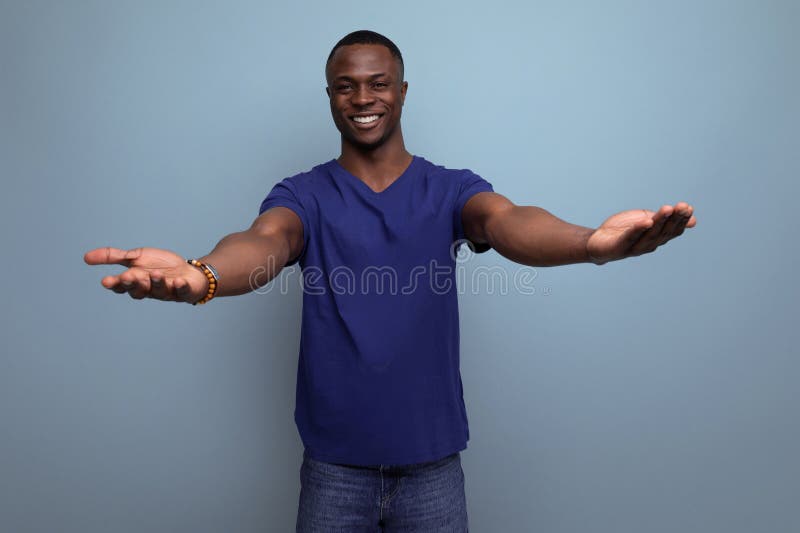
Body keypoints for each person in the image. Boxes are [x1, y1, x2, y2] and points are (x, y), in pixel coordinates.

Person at [85, 30, 697, 532]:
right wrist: (204, 275)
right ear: (329, 97)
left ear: (402, 92)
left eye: (378, 83)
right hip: (333, 473)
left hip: (432, 471)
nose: (363, 98)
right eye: (346, 86)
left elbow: (509, 223)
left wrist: (590, 242)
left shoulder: (450, 189)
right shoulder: (305, 195)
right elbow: (266, 242)